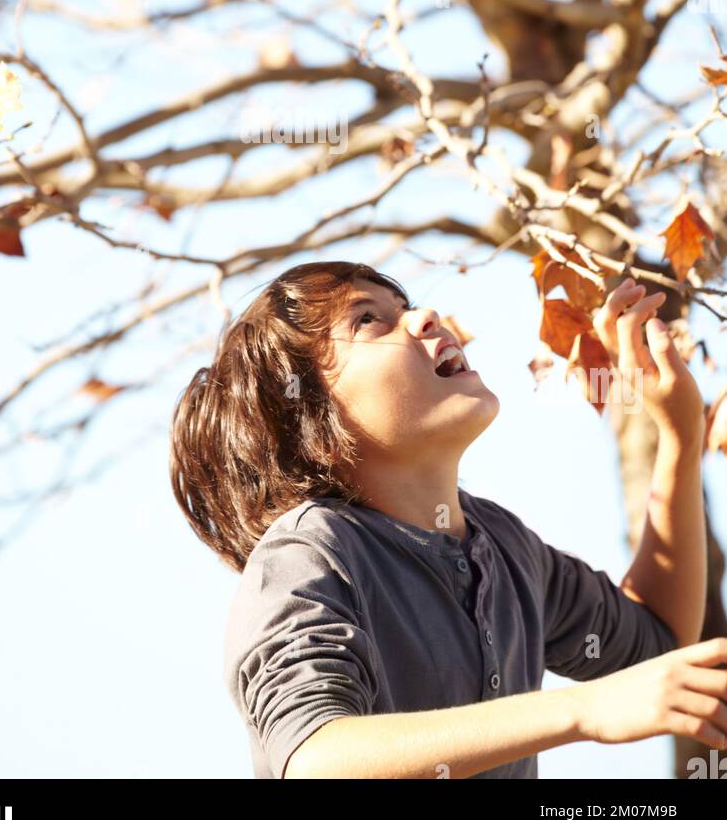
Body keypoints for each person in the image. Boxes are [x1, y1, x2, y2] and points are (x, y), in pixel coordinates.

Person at [170, 259, 726, 778]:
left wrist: (678, 435)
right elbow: (316, 755)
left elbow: (658, 640)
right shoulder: (307, 554)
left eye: (404, 304)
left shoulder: (507, 547)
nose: (424, 316)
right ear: (310, 416)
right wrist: (582, 710)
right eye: (368, 320)